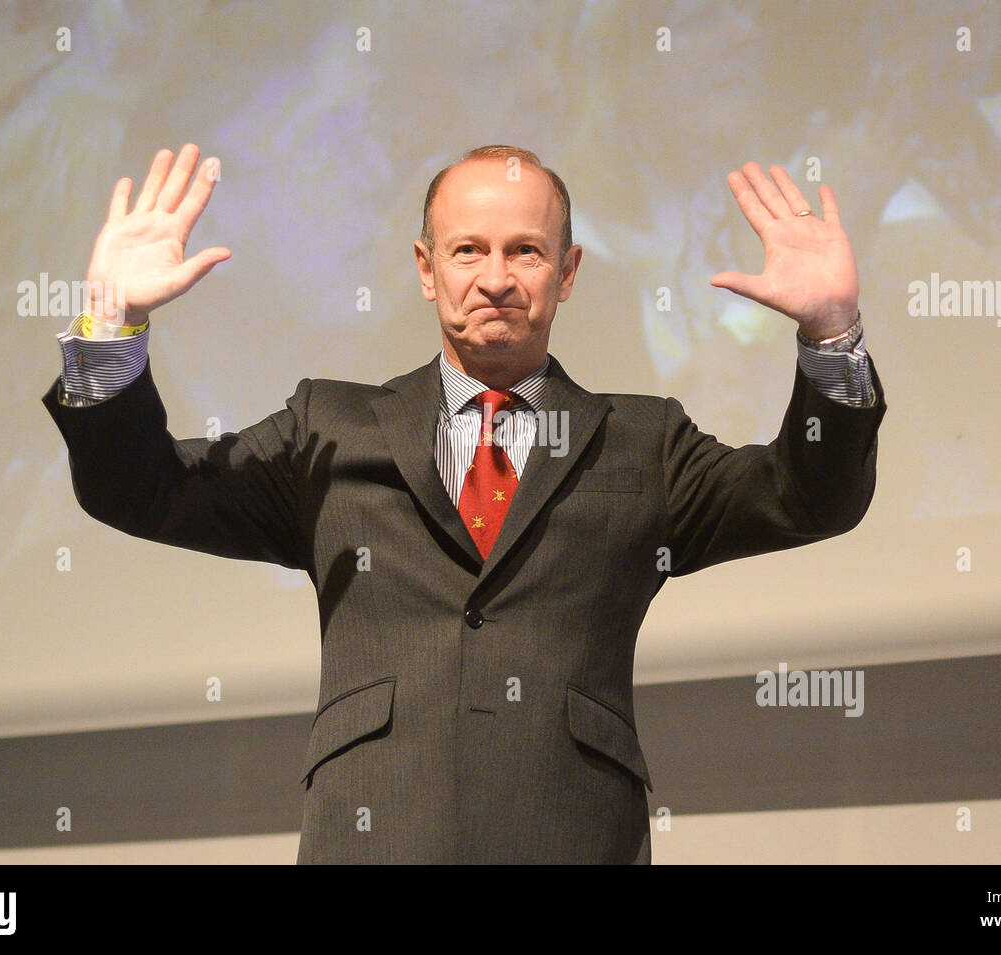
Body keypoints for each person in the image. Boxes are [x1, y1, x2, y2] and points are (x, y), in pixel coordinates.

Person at [43, 143, 887, 863]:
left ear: (568, 272)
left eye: (524, 251)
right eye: (467, 250)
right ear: (424, 269)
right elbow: (139, 488)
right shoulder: (327, 429)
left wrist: (831, 336)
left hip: (573, 836)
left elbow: (810, 496)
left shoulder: (643, 441)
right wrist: (110, 322)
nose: (495, 278)